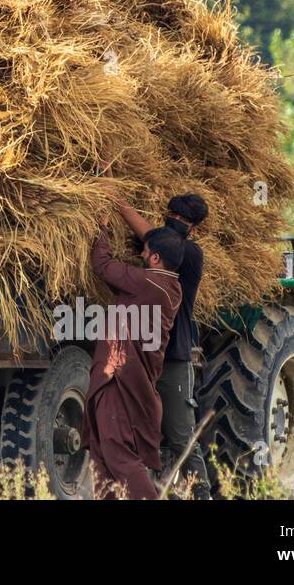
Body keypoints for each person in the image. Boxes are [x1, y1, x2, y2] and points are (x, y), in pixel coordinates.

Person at [114, 193, 211, 499]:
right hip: (145, 358)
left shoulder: (189, 254)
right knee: (147, 437)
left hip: (173, 360)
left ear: (190, 229)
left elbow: (154, 236)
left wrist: (121, 202)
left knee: (181, 436)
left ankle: (202, 495)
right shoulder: (161, 247)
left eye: (178, 219)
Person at [83, 216, 182, 499]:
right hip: (120, 376)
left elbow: (103, 266)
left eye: (145, 250)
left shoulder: (150, 283)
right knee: (101, 450)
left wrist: (102, 226)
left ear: (156, 258)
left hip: (121, 379)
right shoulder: (169, 286)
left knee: (117, 454)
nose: (140, 253)